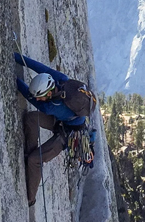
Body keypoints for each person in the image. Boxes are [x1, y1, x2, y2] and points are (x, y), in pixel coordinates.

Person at [12, 52, 95, 206]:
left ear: (49, 93)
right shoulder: (60, 80)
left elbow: (29, 96)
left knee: (35, 160)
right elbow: (40, 67)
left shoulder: (51, 107)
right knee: (31, 118)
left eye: (40, 96)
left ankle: (30, 199)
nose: (38, 99)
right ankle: (29, 153)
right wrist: (16, 57)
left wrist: (14, 79)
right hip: (63, 121)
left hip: (69, 135)